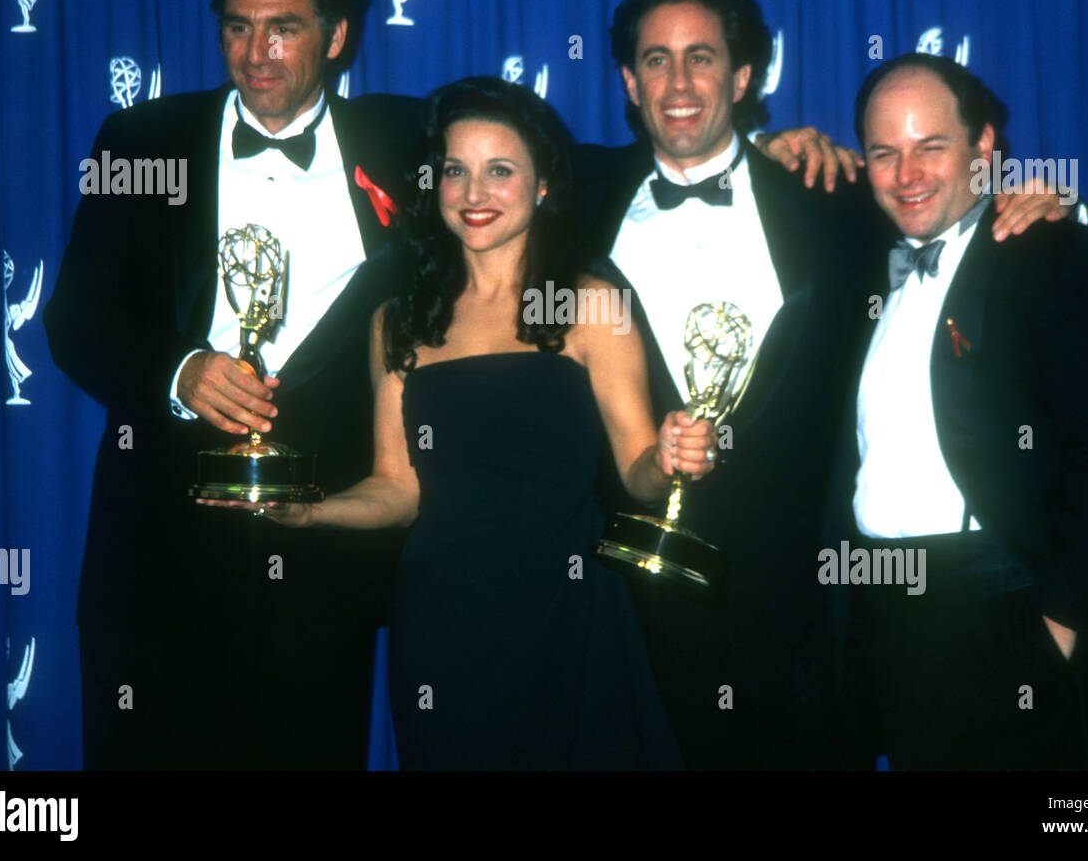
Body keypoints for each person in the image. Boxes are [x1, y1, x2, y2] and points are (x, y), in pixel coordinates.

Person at [574, 0, 1076, 769]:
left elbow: (951, 226)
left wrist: (1041, 204)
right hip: (635, 601)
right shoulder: (575, 198)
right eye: (654, 60)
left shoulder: (834, 198)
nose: (678, 83)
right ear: (628, 82)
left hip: (809, 605)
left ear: (743, 76)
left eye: (701, 56)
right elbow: (460, 161)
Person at [207, 76, 711, 769]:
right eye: (455, 171)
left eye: (500, 171)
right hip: (444, 622)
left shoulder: (591, 303)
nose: (475, 194)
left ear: (542, 186)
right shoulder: (399, 322)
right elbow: (398, 487)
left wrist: (671, 458)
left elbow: (638, 473)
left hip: (571, 615)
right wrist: (311, 513)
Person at [43, 0, 424, 768]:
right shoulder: (140, 142)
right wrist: (179, 369)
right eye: (237, 27)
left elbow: (551, 164)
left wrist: (749, 151)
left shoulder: (406, 145)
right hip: (156, 556)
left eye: (283, 27)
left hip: (322, 558)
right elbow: (73, 318)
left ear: (335, 36)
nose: (258, 53)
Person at [827, 52, 1088, 769]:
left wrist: (1058, 630)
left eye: (930, 147)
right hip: (887, 620)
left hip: (1009, 616)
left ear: (983, 147)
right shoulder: (860, 267)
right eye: (885, 154)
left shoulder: (1065, 261)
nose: (906, 174)